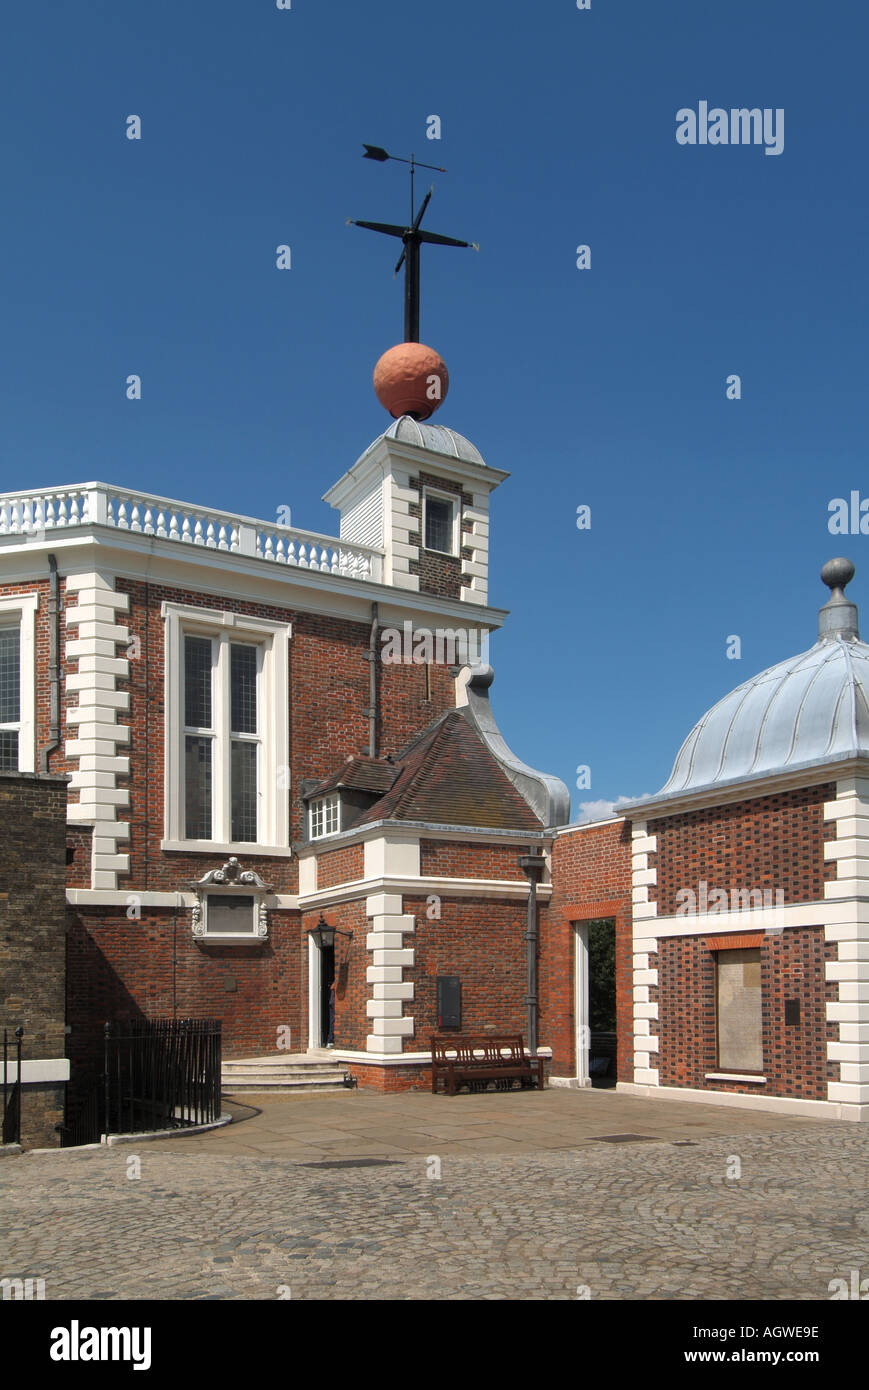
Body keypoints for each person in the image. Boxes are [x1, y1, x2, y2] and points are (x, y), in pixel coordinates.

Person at [327, 978, 336, 1047]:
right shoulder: (334, 985)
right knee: (332, 1021)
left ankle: (330, 1040)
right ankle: (330, 1041)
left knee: (332, 1021)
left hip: (332, 1003)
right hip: (333, 1003)